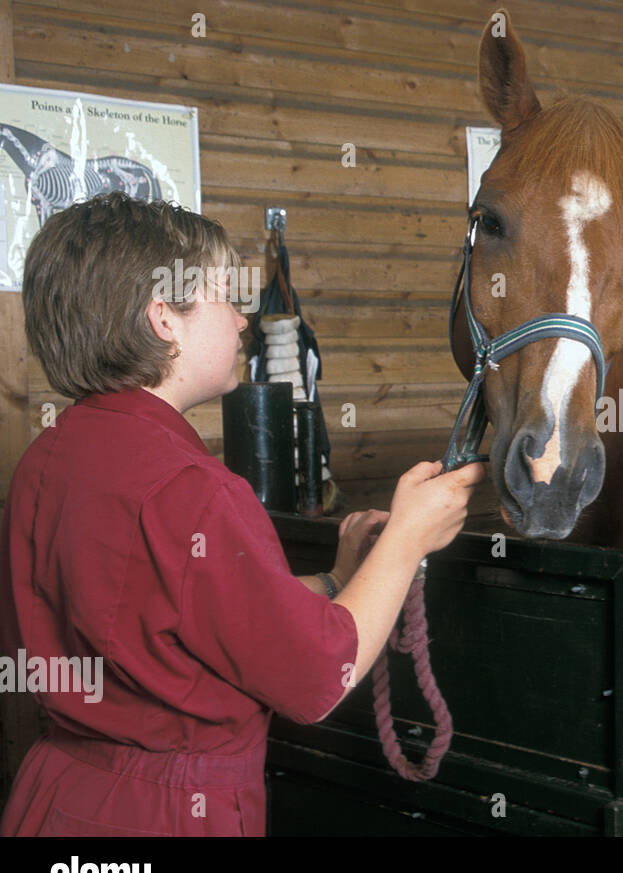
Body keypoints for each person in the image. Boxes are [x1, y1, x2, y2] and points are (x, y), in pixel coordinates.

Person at [0, 192, 485, 836]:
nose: (241, 322)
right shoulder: (193, 490)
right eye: (225, 299)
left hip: (58, 799)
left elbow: (175, 618)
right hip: (166, 817)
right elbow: (317, 679)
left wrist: (339, 580)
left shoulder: (47, 458)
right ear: (164, 319)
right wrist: (408, 540)